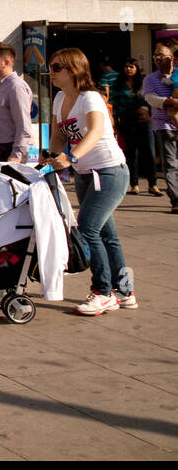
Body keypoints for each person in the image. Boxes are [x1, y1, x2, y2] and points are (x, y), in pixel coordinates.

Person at [47, 47, 137, 315]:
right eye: (50, 66)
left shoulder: (90, 98)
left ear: (73, 69)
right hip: (86, 174)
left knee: (87, 230)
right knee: (107, 235)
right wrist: (52, 159)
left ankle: (102, 291)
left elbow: (96, 131)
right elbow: (59, 137)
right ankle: (124, 291)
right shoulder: (60, 98)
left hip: (109, 172)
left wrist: (70, 158)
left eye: (56, 67)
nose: (50, 72)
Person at [142, 42, 178, 213]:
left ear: (171, 57)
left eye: (161, 55)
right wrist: (170, 102)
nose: (158, 58)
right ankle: (176, 200)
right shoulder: (150, 79)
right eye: (155, 56)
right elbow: (151, 99)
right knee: (171, 164)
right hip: (163, 124)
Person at [0, 42, 33, 165]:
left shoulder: (15, 86)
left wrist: (16, 154)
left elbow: (23, 124)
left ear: (6, 63)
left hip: (9, 149)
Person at [116, 58, 159, 195]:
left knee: (149, 152)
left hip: (144, 121)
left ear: (137, 68)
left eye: (132, 67)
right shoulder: (119, 83)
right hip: (127, 121)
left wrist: (151, 114)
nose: (129, 69)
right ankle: (134, 185)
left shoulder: (144, 82)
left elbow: (152, 99)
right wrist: (116, 122)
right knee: (131, 153)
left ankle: (153, 184)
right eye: (127, 66)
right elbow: (115, 104)